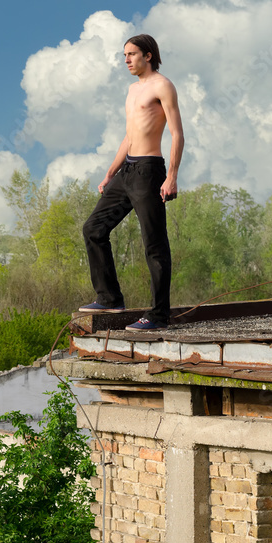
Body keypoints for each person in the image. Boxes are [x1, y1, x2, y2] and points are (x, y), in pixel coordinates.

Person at [80, 34, 184, 331]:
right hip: (126, 171)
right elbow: (129, 136)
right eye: (124, 55)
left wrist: (172, 176)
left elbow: (177, 134)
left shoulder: (162, 86)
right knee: (93, 229)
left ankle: (159, 315)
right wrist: (110, 173)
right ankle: (109, 296)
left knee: (154, 244)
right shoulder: (131, 90)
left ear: (148, 55)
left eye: (131, 54)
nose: (126, 60)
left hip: (150, 171)